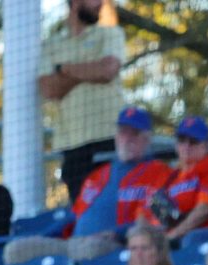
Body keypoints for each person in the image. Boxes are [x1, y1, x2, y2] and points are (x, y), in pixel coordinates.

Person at [6, 106, 170, 265]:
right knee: (15, 251)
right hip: (72, 243)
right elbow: (74, 215)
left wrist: (117, 233)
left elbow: (157, 220)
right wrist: (44, 236)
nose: (127, 139)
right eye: (123, 132)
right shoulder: (98, 174)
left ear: (147, 139)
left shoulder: (160, 172)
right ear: (116, 136)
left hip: (113, 246)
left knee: (89, 250)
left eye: (134, 133)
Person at [41, 0, 127, 200]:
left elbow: (107, 71)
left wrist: (64, 70)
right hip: (72, 146)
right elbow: (49, 89)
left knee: (113, 208)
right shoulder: (50, 45)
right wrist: (90, 70)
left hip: (109, 138)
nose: (101, 4)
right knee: (81, 215)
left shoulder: (111, 34)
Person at [162, 116, 208, 242]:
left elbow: (204, 211)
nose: (186, 146)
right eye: (181, 140)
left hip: (202, 240)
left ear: (206, 145)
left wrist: (172, 235)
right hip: (174, 239)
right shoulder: (172, 177)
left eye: (193, 141)